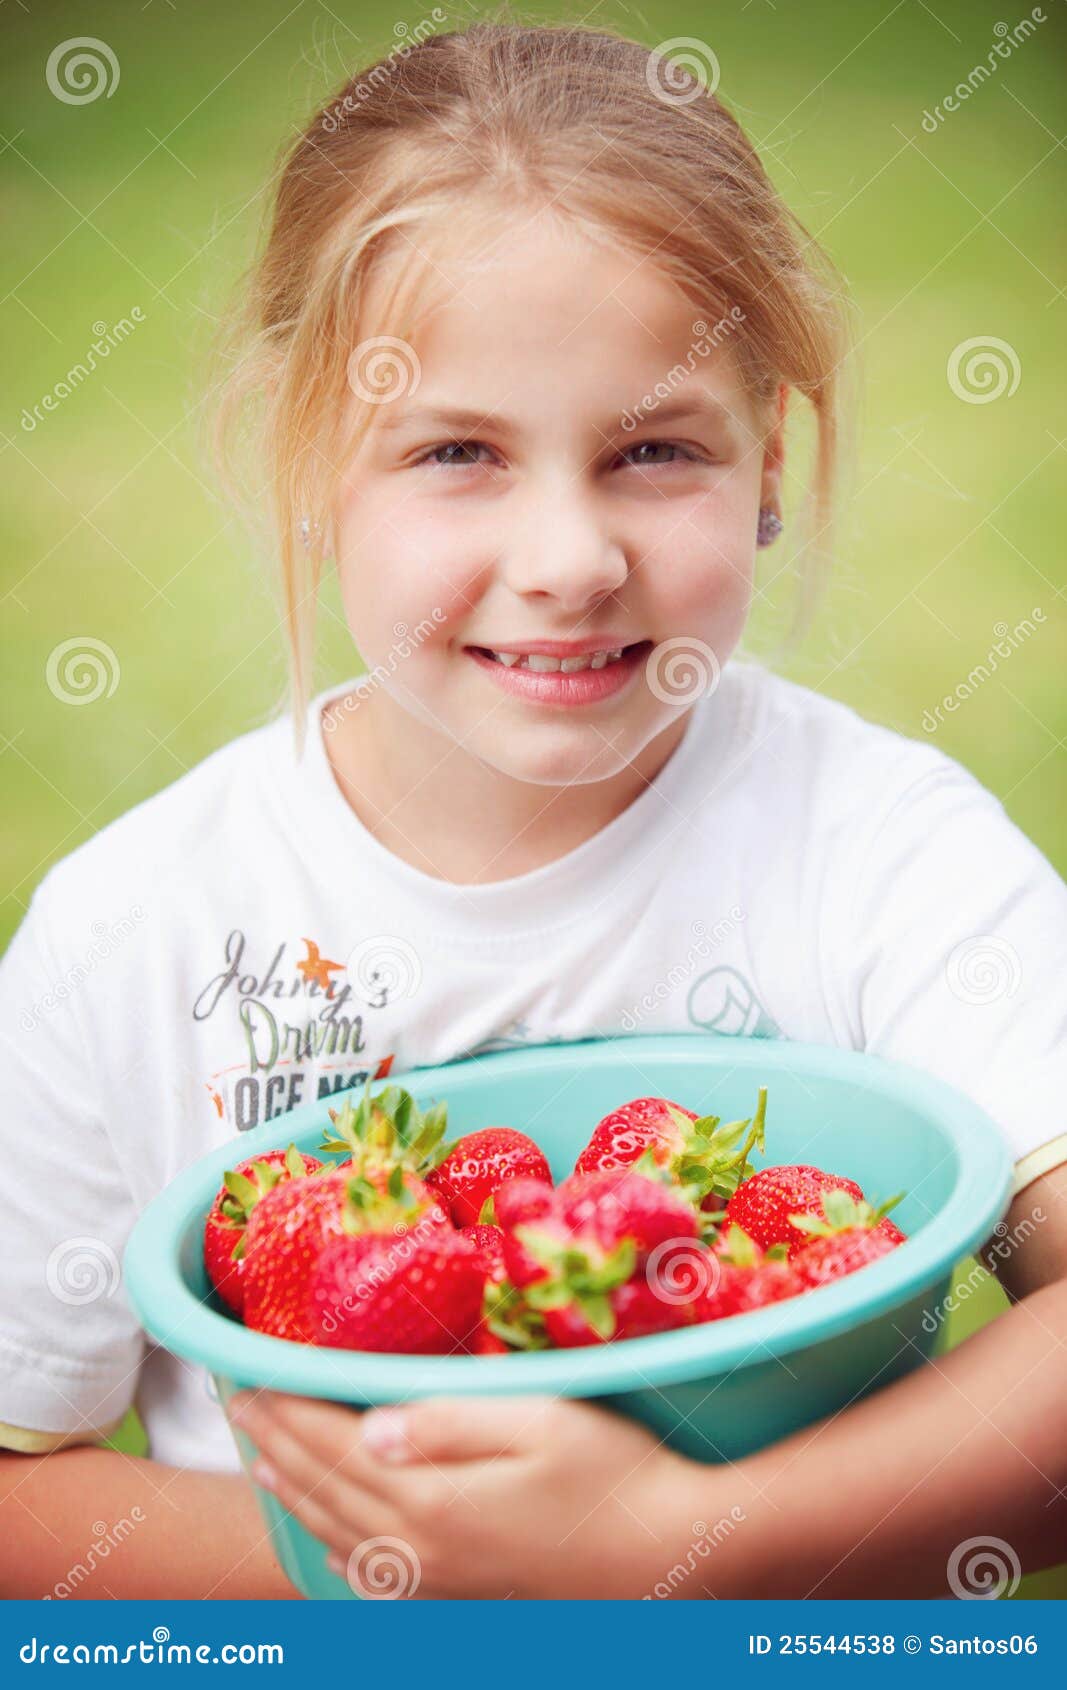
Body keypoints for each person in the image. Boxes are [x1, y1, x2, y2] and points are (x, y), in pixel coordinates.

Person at [2, 20, 1064, 1600]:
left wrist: (674, 1547)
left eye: (654, 450)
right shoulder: (131, 933)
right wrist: (406, 1575)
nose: (569, 560)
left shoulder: (883, 850)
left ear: (770, 462)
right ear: (306, 460)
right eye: (457, 451)